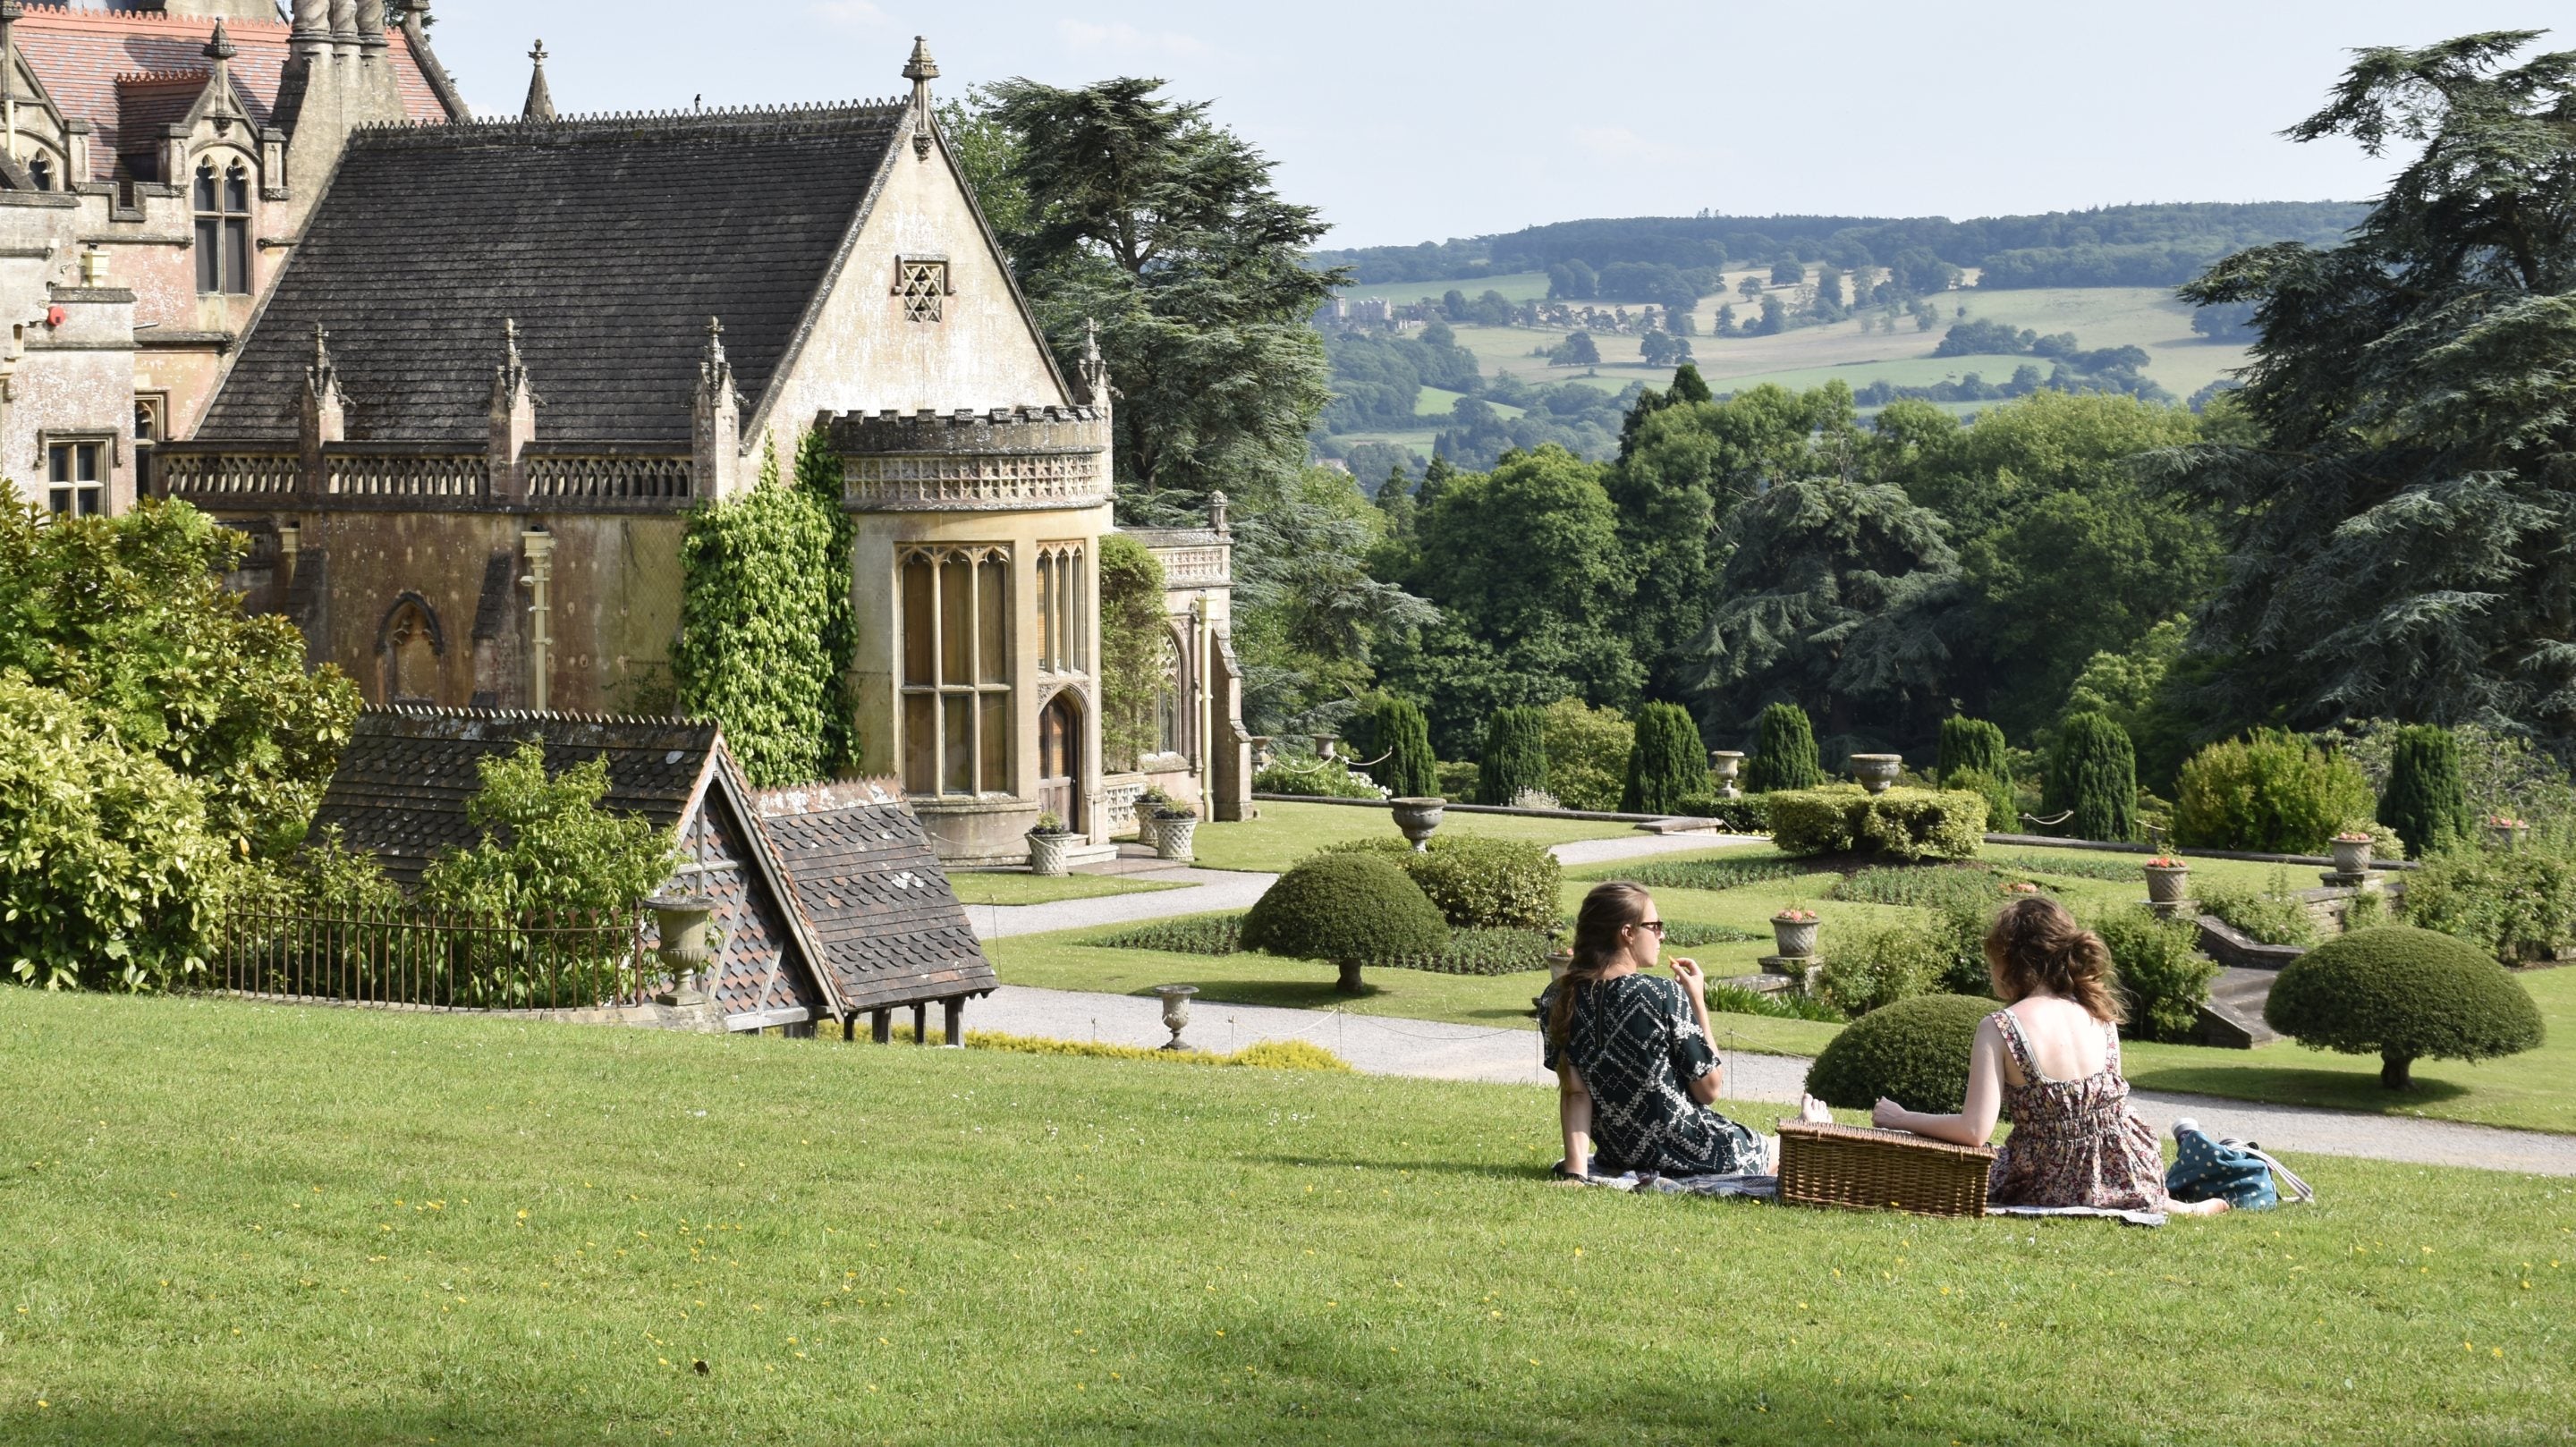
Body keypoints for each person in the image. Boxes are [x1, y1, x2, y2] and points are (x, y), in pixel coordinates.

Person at [1871, 895, 2226, 1216]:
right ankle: (2170, 1204)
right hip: (2131, 1169)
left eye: (1992, 959)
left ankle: (2170, 1205)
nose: (1989, 969)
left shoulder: (2000, 1027)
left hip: (2048, 1180)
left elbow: (1975, 1130)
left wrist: (1902, 1118)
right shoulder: (2098, 1012)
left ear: (2012, 960)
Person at [1542, 881, 1829, 1179]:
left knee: (1763, 1146)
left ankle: (1796, 1132)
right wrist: (1697, 1002)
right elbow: (1709, 1089)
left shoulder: (1558, 998)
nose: (1662, 935)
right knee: (1770, 1152)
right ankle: (1805, 1131)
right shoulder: (1661, 994)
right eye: (1655, 926)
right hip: (1691, 1151)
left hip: (1619, 1156)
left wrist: (1576, 1174)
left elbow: (1575, 1094)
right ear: (1627, 933)